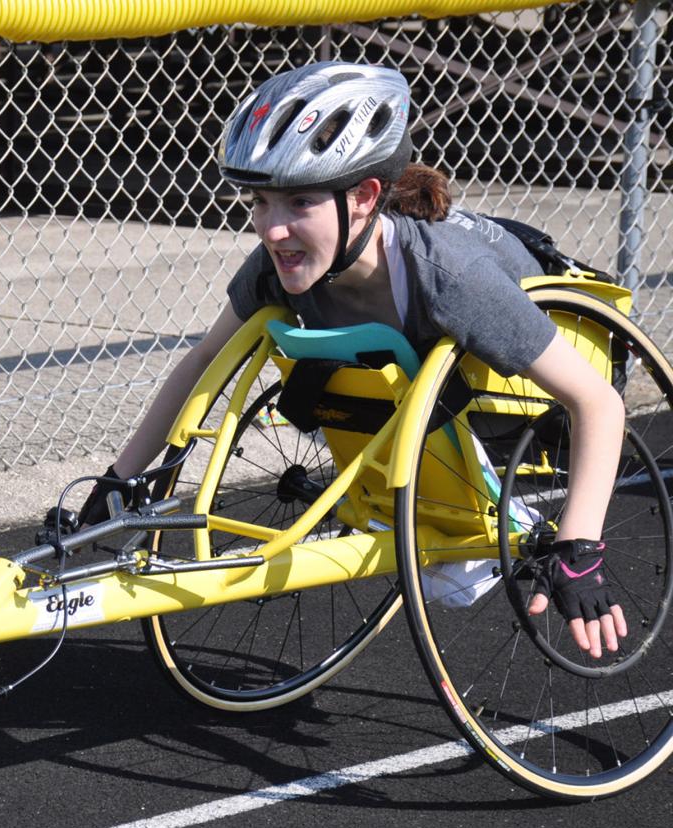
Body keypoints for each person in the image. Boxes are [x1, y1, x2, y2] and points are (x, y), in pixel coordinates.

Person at [66, 60, 627, 659]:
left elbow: (598, 401)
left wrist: (579, 549)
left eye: (299, 202)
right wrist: (119, 480)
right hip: (424, 395)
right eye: (259, 202)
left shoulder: (449, 278)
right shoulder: (278, 267)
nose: (272, 230)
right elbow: (204, 361)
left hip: (528, 395)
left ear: (362, 198)